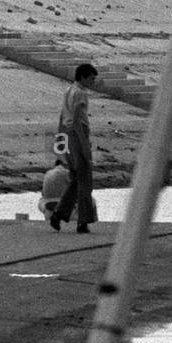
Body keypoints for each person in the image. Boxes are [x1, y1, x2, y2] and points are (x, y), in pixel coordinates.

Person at [50, 63, 98, 233]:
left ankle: (60, 213)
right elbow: (77, 120)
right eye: (92, 78)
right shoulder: (80, 94)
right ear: (84, 77)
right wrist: (85, 145)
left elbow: (63, 117)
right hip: (78, 136)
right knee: (85, 180)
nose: (93, 81)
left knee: (77, 179)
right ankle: (82, 221)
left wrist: (61, 144)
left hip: (69, 136)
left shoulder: (69, 91)